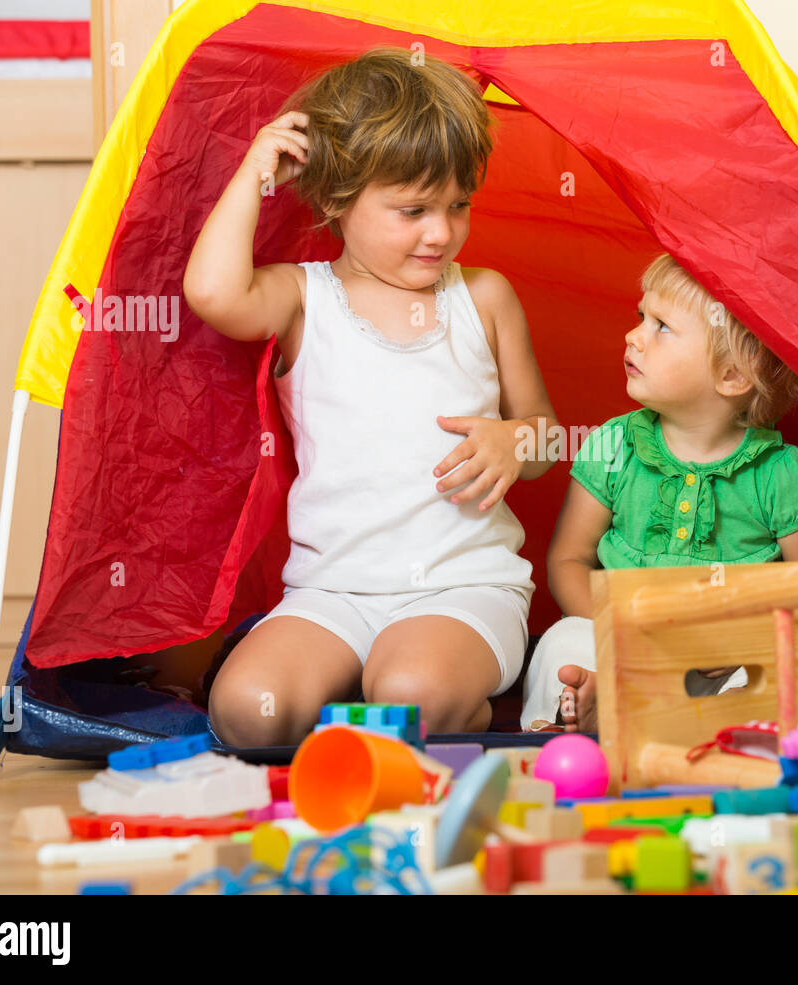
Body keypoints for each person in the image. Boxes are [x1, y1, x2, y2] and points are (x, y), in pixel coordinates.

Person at [184, 47, 556, 746]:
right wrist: (253, 176)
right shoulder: (303, 297)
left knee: (412, 692)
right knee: (247, 709)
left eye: (457, 205)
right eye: (412, 210)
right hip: (332, 594)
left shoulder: (485, 297)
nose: (441, 231)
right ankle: (364, 699)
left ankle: (441, 702)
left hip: (464, 589)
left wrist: (515, 441)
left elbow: (548, 436)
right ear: (334, 200)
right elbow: (212, 292)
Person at [521, 253, 798, 732]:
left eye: (661, 326)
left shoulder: (780, 472)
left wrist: (737, 650)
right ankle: (575, 730)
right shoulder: (613, 445)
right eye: (640, 317)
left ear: (732, 376)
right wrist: (619, 631)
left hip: (739, 664)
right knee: (562, 641)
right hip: (629, 649)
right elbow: (569, 561)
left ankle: (760, 735)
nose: (634, 335)